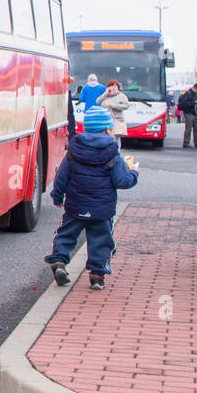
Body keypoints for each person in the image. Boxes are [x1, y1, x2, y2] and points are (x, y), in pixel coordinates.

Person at [45, 105, 139, 291]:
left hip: (75, 205)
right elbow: (121, 181)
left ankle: (58, 261)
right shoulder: (112, 152)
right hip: (102, 209)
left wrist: (57, 196)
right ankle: (97, 276)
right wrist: (134, 173)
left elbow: (62, 176)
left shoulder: (74, 149)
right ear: (107, 128)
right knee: (101, 241)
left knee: (66, 234)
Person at [97, 78, 130, 145]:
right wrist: (105, 94)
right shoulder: (106, 95)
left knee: (115, 138)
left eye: (115, 86)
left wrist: (113, 105)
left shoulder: (121, 96)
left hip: (116, 120)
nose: (113, 88)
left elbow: (126, 106)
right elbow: (98, 101)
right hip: (106, 121)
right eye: (111, 86)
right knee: (106, 138)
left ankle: (116, 152)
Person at [178, 82, 197, 148]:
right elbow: (185, 104)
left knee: (196, 129)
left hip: (194, 113)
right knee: (188, 128)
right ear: (195, 88)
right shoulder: (188, 93)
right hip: (188, 113)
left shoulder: (194, 94)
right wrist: (193, 102)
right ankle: (186, 143)